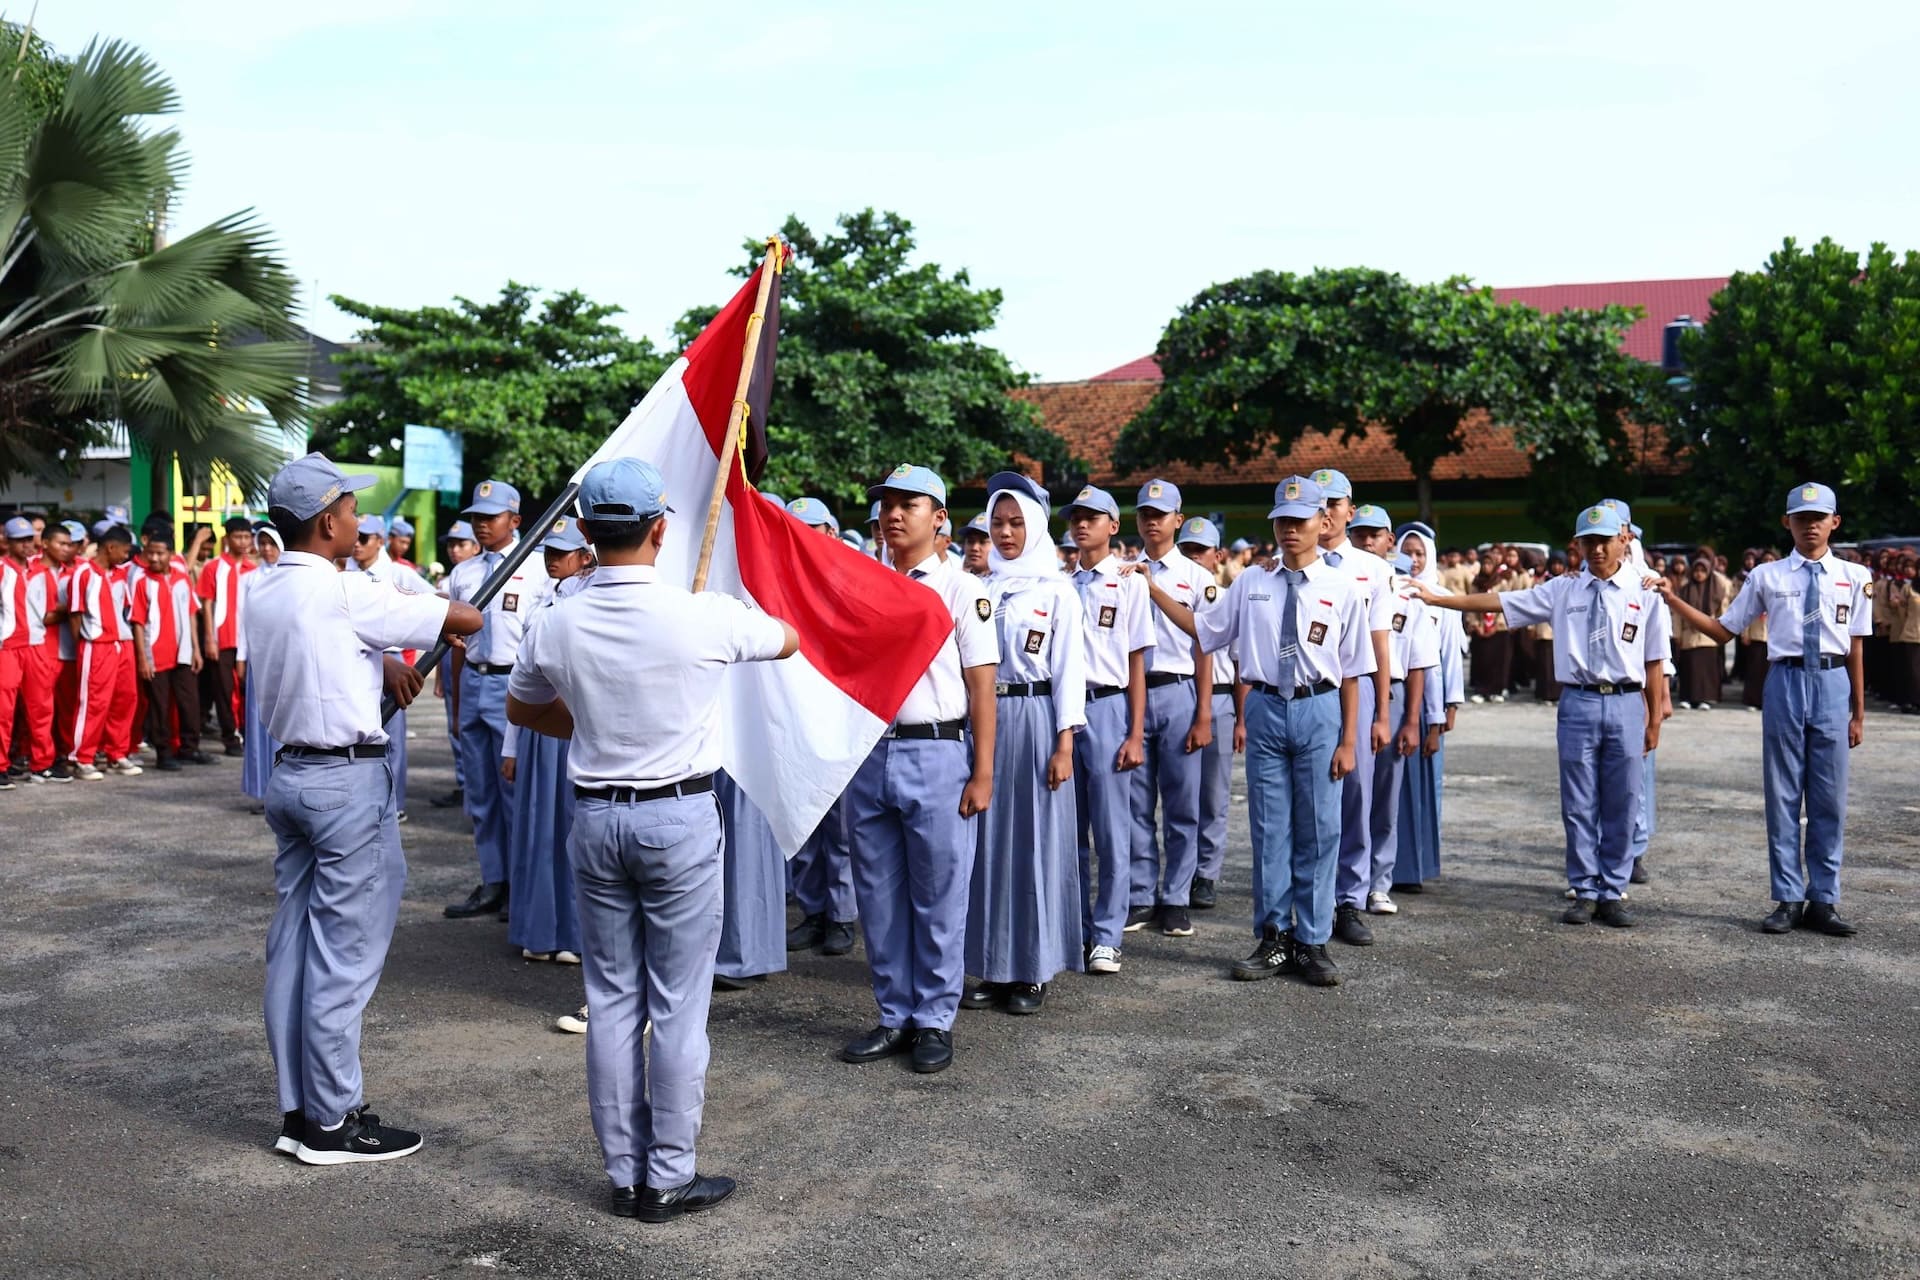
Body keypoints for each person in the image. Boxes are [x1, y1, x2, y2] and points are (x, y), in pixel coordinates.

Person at [506, 456, 797, 1219]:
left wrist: (599, 724)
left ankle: (625, 1172)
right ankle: (667, 1175)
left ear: (590, 534)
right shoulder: (702, 614)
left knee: (611, 1002)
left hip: (597, 814)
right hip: (677, 817)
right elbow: (789, 640)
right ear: (660, 529)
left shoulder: (557, 619)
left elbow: (523, 709)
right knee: (676, 1006)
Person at [251, 452, 482, 1164]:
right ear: (328, 522)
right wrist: (402, 639)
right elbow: (464, 614)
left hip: (290, 776)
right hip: (344, 785)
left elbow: (318, 647)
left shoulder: (262, 589)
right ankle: (333, 1119)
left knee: (294, 946)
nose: (357, 519)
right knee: (343, 958)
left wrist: (377, 658)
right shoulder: (347, 592)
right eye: (351, 509)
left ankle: (300, 1110)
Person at [1142, 475, 1370, 987]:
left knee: (1320, 827)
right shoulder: (1252, 582)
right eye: (1282, 521)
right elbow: (1206, 631)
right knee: (1270, 829)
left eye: (1300, 520)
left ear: (1324, 522)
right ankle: (1274, 936)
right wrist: (1153, 590)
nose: (1289, 529)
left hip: (1319, 706)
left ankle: (1311, 940)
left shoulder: (1343, 588)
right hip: (1265, 705)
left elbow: (1354, 669)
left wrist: (1350, 739)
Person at [1416, 504, 1669, 926]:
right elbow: (1501, 600)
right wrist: (1441, 599)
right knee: (1578, 801)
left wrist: (1655, 717)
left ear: (1622, 541)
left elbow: (1655, 660)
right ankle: (1585, 888)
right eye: (1588, 542)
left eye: (1604, 541)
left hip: (1626, 701)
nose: (1597, 550)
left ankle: (1614, 889)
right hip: (1578, 701)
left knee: (1625, 798)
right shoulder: (1562, 589)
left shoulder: (1645, 592)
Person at [1654, 483, 1872, 937]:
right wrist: (1674, 600)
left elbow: (1855, 647)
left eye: (1819, 517)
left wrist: (1858, 711)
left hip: (1832, 681)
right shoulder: (1767, 577)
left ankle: (1824, 899)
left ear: (1836, 522)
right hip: (1786, 681)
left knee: (1830, 797)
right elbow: (1722, 631)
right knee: (1783, 795)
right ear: (1786, 522)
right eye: (1800, 517)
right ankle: (1789, 896)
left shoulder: (1854, 577)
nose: (1809, 525)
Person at [841, 464, 997, 1076]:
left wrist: (982, 772)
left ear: (940, 519)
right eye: (886, 504)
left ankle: (934, 1018)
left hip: (936, 752)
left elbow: (981, 687)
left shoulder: (964, 589)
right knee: (877, 896)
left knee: (937, 896)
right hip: (872, 752)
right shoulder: (871, 583)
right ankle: (894, 1013)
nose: (893, 514)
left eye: (909, 504)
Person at [961, 472, 1087, 1015]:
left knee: (1033, 843)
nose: (1005, 533)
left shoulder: (1057, 592)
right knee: (987, 846)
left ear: (1035, 527)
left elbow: (1069, 672)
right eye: (997, 523)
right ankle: (992, 964)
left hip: (1035, 718)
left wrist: (1064, 743)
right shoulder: (981, 588)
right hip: (985, 721)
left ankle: (1033, 968)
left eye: (1016, 523)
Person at [444, 479, 552, 920]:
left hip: (515, 684)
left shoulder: (540, 569)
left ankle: (522, 883)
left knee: (515, 790)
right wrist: (454, 704)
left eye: (490, 518)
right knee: (480, 792)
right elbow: (454, 642)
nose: (481, 526)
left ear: (516, 520)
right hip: (473, 679)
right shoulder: (464, 572)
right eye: (476, 519)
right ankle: (494, 880)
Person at [1065, 485, 1151, 975]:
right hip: (1065, 712)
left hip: (1108, 705)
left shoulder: (1129, 583)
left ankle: (1108, 935)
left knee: (1112, 829)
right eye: (1077, 516)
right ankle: (1074, 928)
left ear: (1113, 527)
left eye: (1093, 517)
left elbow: (1137, 662)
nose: (1082, 524)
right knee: (1069, 828)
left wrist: (1136, 732)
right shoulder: (1062, 583)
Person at [1307, 473, 1394, 949]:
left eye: (1335, 503)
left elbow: (1379, 642)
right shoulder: (1297, 563)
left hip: (1355, 694)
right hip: (1311, 694)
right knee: (1313, 798)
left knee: (1356, 793)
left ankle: (1349, 899)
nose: (1327, 513)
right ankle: (1314, 895)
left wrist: (1382, 711)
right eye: (1319, 504)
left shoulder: (1372, 569)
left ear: (1349, 509)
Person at [1126, 479, 1212, 939]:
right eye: (1144, 514)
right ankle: (1141, 893)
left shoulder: (1197, 577)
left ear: (1178, 519)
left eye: (1160, 514)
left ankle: (1176, 896)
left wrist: (1203, 712)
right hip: (1134, 694)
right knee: (1136, 802)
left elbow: (1206, 645)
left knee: (1182, 804)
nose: (1152, 521)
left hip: (1179, 691)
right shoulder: (1122, 572)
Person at [503, 517, 591, 966]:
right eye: (549, 552)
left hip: (574, 725)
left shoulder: (592, 602)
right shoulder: (541, 605)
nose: (553, 559)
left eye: (563, 552)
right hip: (540, 728)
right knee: (537, 830)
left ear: (586, 556)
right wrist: (511, 745)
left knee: (573, 830)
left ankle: (574, 934)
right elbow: (521, 682)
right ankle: (538, 929)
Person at [782, 497, 860, 958]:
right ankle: (813, 910)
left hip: (841, 715)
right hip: (799, 713)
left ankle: (843, 915)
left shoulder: (850, 584)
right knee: (804, 819)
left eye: (813, 529)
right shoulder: (786, 585)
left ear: (831, 533)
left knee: (842, 826)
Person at [1349, 520, 1437, 916]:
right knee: (1350, 792)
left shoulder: (1406, 592)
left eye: (1375, 534)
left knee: (1385, 794)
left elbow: (1418, 662)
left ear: (1389, 540)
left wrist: (1411, 719)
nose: (1367, 541)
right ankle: (1344, 882)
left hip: (1393, 693)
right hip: (1348, 688)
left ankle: (1378, 882)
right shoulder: (1337, 578)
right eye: (1360, 533)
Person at [349, 515, 436, 820]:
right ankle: (363, 800)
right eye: (356, 537)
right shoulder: (345, 572)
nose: (358, 544)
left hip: (392, 659)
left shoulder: (398, 572)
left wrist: (410, 631)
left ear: (380, 540)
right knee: (358, 732)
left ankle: (394, 803)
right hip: (356, 658)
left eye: (365, 538)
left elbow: (436, 601)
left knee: (392, 736)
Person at [1393, 527, 1465, 892]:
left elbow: (1450, 657)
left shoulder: (1443, 598)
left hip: (1428, 704)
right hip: (1392, 694)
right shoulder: (1388, 591)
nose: (1415, 560)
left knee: (1423, 787)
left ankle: (1414, 865)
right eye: (1407, 552)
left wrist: (1447, 710)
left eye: (1420, 552)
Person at [1177, 516, 1238, 911]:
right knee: (1181, 794)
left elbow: (1242, 664)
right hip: (1181, 694)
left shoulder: (1228, 595)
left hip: (1218, 699)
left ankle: (1206, 873)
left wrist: (1244, 720)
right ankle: (1179, 873)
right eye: (1188, 550)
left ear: (1218, 556)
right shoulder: (1173, 589)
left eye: (1201, 551)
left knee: (1213, 794)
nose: (1194, 557)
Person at [128, 531, 211, 772]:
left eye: (160, 553)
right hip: (156, 655)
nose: (154, 558)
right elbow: (138, 622)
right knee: (159, 706)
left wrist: (196, 649)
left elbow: (191, 613)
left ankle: (189, 748)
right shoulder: (142, 581)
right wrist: (143, 658)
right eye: (150, 553)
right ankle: (163, 753)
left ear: (170, 555)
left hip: (183, 651)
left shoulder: (182, 579)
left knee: (189, 702)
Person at [68, 525, 140, 780]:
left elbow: (126, 610)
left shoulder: (121, 574)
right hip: (96, 645)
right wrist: (84, 644)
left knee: (126, 699)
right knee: (93, 702)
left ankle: (117, 752)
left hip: (123, 644)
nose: (126, 556)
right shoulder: (83, 573)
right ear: (110, 548)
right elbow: (75, 614)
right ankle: (82, 757)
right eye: (124, 551)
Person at [430, 520, 480, 810]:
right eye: (451, 544)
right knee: (456, 722)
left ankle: (471, 784)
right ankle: (464, 782)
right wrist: (439, 678)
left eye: (461, 544)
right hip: (452, 654)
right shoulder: (449, 579)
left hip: (474, 654)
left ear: (475, 547)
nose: (454, 550)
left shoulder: (484, 575)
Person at [20, 519, 73, 782]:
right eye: (60, 543)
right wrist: (71, 609)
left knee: (55, 709)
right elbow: (41, 616)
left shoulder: (68, 571)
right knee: (38, 707)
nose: (66, 548)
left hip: (63, 649)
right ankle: (34, 758)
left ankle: (52, 756)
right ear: (45, 543)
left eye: (69, 544)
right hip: (41, 647)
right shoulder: (36, 572)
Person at [197, 515, 255, 757]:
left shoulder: (254, 570)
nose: (242, 542)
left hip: (249, 640)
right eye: (237, 537)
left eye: (245, 537)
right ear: (227, 538)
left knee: (247, 689)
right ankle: (230, 737)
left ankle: (248, 732)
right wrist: (209, 637)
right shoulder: (213, 567)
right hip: (222, 638)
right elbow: (207, 604)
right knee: (223, 689)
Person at [236, 526, 284, 808]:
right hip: (258, 660)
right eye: (262, 543)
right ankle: (262, 790)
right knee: (257, 723)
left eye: (271, 543)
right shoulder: (249, 579)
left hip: (283, 660)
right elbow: (244, 623)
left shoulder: (290, 578)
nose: (266, 549)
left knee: (282, 724)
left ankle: (282, 790)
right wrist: (242, 657)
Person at [1673, 554, 1729, 709]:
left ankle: (1706, 697)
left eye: (1703, 571)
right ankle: (1687, 697)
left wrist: (1722, 632)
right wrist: (1677, 634)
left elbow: (1722, 613)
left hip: (1708, 636)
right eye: (1696, 570)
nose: (1699, 573)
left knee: (1705, 669)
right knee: (1689, 668)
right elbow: (1677, 614)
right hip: (1689, 636)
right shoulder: (1685, 590)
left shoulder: (1716, 589)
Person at [958, 512, 991, 577]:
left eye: (982, 542)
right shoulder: (956, 580)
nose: (974, 548)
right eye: (970, 541)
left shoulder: (1006, 583)